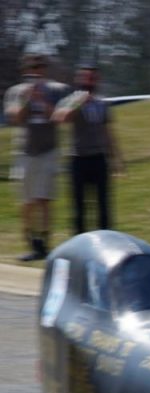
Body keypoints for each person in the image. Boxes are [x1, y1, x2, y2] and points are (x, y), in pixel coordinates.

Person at [3, 54, 70, 261]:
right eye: (32, 67)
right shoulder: (16, 92)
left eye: (40, 67)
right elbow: (15, 118)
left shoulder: (56, 90)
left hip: (48, 150)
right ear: (25, 70)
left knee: (45, 199)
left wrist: (42, 100)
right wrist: (27, 99)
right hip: (26, 151)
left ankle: (45, 243)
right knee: (27, 201)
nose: (36, 71)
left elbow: (60, 118)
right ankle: (31, 242)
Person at [52, 64, 124, 234]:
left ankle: (106, 238)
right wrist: (78, 103)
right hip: (78, 159)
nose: (89, 82)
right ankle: (80, 240)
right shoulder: (70, 100)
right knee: (79, 206)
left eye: (93, 78)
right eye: (85, 78)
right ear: (78, 80)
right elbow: (60, 119)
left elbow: (107, 132)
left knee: (103, 204)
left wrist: (116, 158)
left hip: (99, 158)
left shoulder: (101, 103)